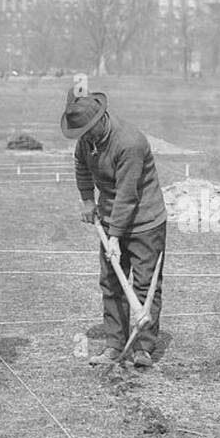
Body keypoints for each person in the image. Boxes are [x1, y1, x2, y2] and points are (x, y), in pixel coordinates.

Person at [62, 84, 167, 368]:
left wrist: (115, 238)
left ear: (100, 120)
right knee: (111, 284)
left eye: (85, 132)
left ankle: (143, 348)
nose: (82, 139)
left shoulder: (129, 143)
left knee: (145, 286)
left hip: (146, 222)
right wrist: (87, 200)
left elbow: (127, 194)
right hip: (112, 219)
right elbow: (81, 166)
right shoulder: (86, 139)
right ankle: (114, 344)